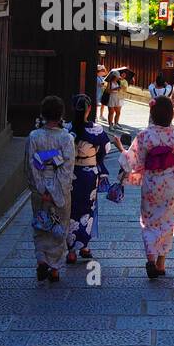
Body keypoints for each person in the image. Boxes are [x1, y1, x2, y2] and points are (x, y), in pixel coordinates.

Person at [119, 96, 174, 278]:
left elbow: (132, 161)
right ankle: (161, 263)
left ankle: (150, 258)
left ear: (152, 113)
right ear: (171, 114)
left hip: (151, 184)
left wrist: (120, 148)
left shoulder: (144, 135)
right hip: (171, 185)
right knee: (168, 222)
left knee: (149, 222)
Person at [65, 93, 126, 263]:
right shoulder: (96, 130)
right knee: (87, 210)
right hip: (88, 173)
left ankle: (70, 251)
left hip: (70, 174)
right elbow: (106, 148)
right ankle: (84, 246)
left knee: (70, 210)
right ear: (89, 109)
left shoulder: (67, 129)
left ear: (72, 108)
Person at [26, 95, 75, 282]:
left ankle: (41, 261)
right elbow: (67, 167)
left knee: (40, 224)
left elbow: (30, 165)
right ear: (61, 114)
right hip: (60, 188)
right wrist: (55, 191)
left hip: (40, 187)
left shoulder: (34, 137)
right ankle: (54, 269)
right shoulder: (66, 138)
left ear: (43, 115)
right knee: (59, 225)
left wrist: (41, 189)